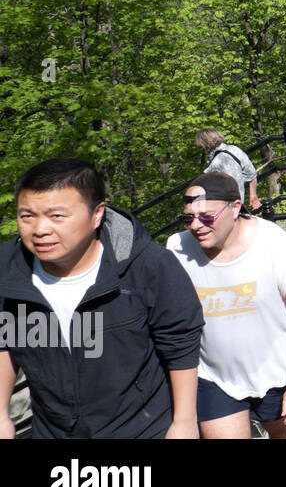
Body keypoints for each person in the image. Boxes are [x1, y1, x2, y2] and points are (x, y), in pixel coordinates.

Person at [0, 158, 204, 439]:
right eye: (27, 216)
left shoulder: (147, 265)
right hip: (53, 432)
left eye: (57, 216)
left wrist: (184, 423)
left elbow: (181, 343)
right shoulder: (8, 271)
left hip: (141, 430)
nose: (40, 229)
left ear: (97, 214)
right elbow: (5, 341)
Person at [166, 172, 286, 439]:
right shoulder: (177, 249)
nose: (196, 226)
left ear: (235, 207)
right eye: (188, 218)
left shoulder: (275, 245)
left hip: (276, 371)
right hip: (214, 377)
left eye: (207, 217)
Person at [196, 128, 261, 211]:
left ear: (205, 144)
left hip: (224, 208)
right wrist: (253, 195)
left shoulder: (216, 163)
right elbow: (252, 174)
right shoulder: (235, 149)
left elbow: (206, 187)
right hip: (239, 204)